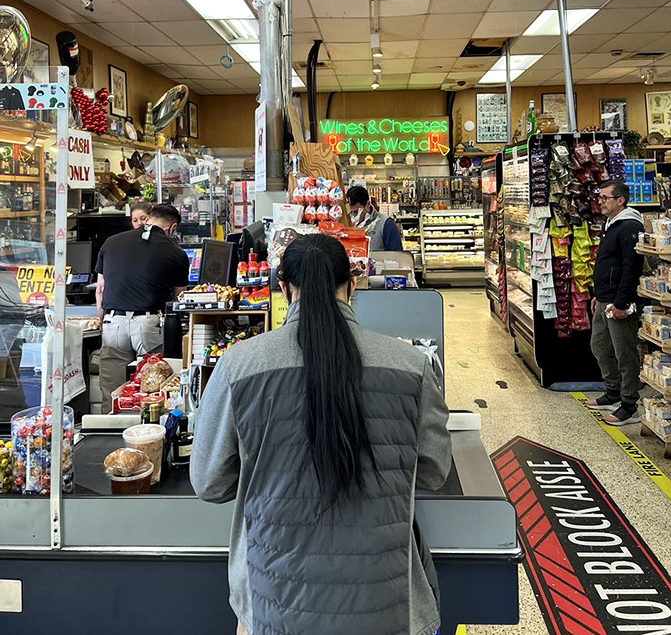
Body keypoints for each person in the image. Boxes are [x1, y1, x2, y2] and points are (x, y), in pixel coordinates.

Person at [191, 233, 451, 635]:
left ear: (283, 288)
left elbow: (209, 483)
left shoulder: (238, 366)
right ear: (352, 283)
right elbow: (434, 472)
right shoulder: (412, 365)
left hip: (273, 602)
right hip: (386, 605)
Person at [95, 204, 189, 409]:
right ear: (172, 228)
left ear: (148, 219)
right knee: (151, 391)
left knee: (113, 393)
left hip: (113, 323)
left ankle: (109, 425)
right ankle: (147, 427)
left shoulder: (111, 242)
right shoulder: (176, 251)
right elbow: (178, 298)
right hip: (149, 325)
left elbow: (100, 288)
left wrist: (103, 320)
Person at [585, 180, 644, 426]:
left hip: (619, 301)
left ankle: (630, 405)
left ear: (620, 200)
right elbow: (609, 264)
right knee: (600, 346)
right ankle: (613, 393)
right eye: (599, 198)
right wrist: (599, 294)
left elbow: (631, 268)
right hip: (605, 298)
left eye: (605, 198)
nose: (600, 202)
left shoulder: (630, 226)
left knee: (624, 352)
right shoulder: (611, 224)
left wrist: (621, 302)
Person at [346, 184, 403, 251]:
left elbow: (396, 254)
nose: (353, 216)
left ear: (368, 204)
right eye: (350, 212)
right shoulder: (345, 222)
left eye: (356, 212)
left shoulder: (386, 224)